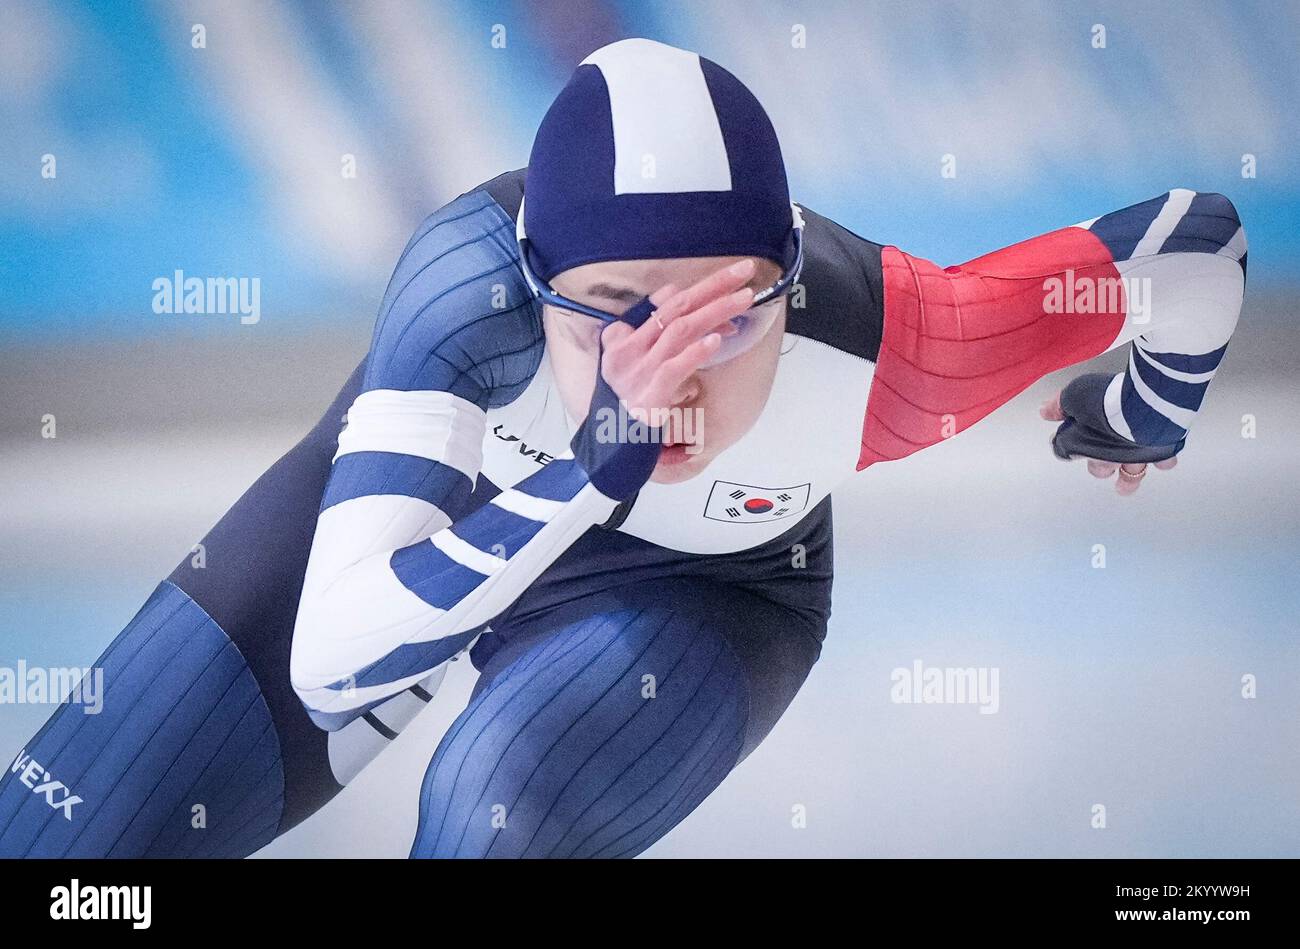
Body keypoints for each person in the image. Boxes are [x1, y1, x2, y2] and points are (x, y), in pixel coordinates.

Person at [0, 38, 1246, 858]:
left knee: (495, 824)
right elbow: (335, 661)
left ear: (792, 289)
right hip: (448, 509)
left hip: (695, 595)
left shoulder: (901, 345)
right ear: (534, 283)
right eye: (613, 308)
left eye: (728, 308)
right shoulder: (460, 303)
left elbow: (1194, 245)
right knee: (59, 861)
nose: (674, 363)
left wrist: (1147, 405)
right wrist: (590, 464)